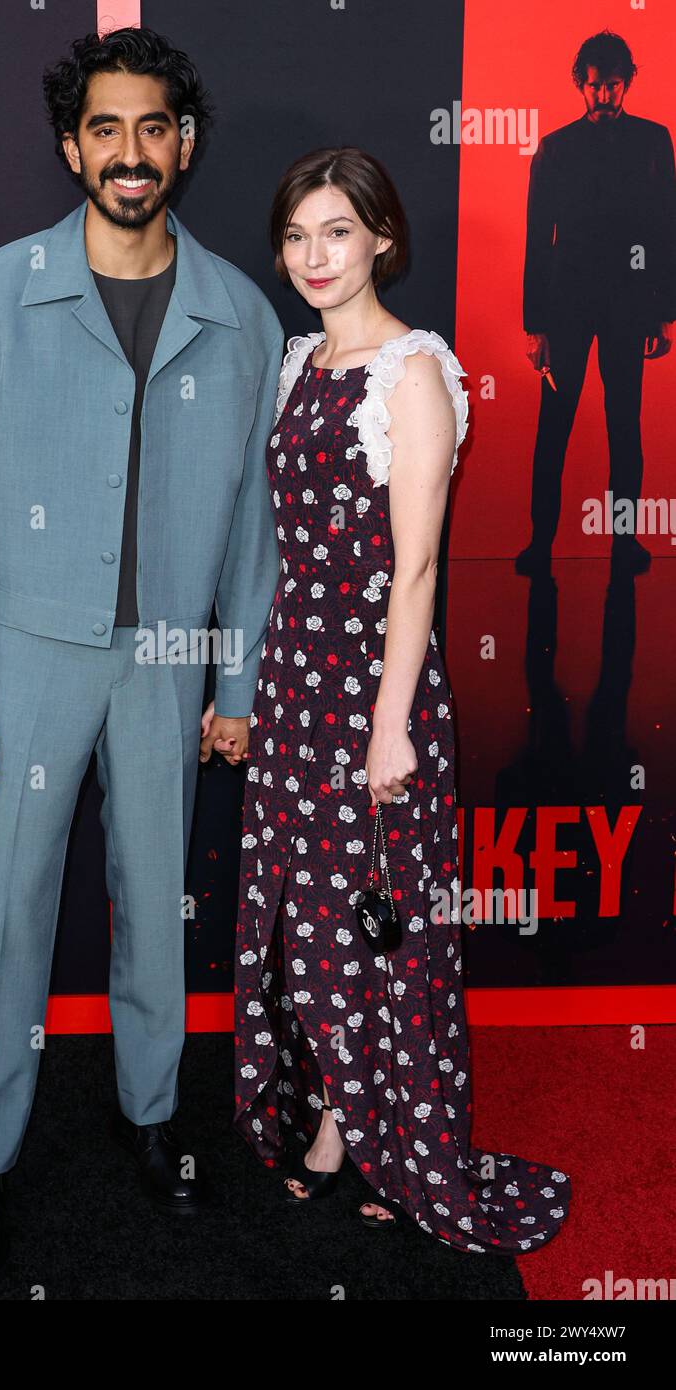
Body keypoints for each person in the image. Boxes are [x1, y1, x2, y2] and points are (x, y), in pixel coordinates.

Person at [0, 26, 284, 1281]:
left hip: (169, 661)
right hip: (26, 658)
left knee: (156, 909)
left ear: (183, 143)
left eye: (153, 128)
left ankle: (151, 1123)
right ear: (71, 144)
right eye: (105, 128)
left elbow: (252, 524)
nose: (131, 153)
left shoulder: (238, 311)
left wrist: (233, 681)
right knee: (5, 919)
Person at [230, 147, 572, 1252]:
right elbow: (278, 549)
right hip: (294, 681)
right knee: (305, 924)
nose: (312, 258)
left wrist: (387, 724)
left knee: (373, 925)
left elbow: (416, 564)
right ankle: (336, 1112)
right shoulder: (296, 363)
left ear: (380, 236)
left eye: (336, 232)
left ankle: (375, 1133)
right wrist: (251, 686)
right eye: (294, 236)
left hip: (377, 691)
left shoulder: (414, 370)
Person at [517, 29, 675, 577]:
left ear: (627, 82)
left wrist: (662, 311)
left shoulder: (655, 141)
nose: (603, 97)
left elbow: (664, 229)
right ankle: (540, 542)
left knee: (624, 423)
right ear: (579, 86)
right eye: (593, 88)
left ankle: (625, 541)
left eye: (611, 86)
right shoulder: (556, 148)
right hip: (566, 307)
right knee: (554, 422)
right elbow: (538, 235)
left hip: (630, 305)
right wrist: (536, 326)